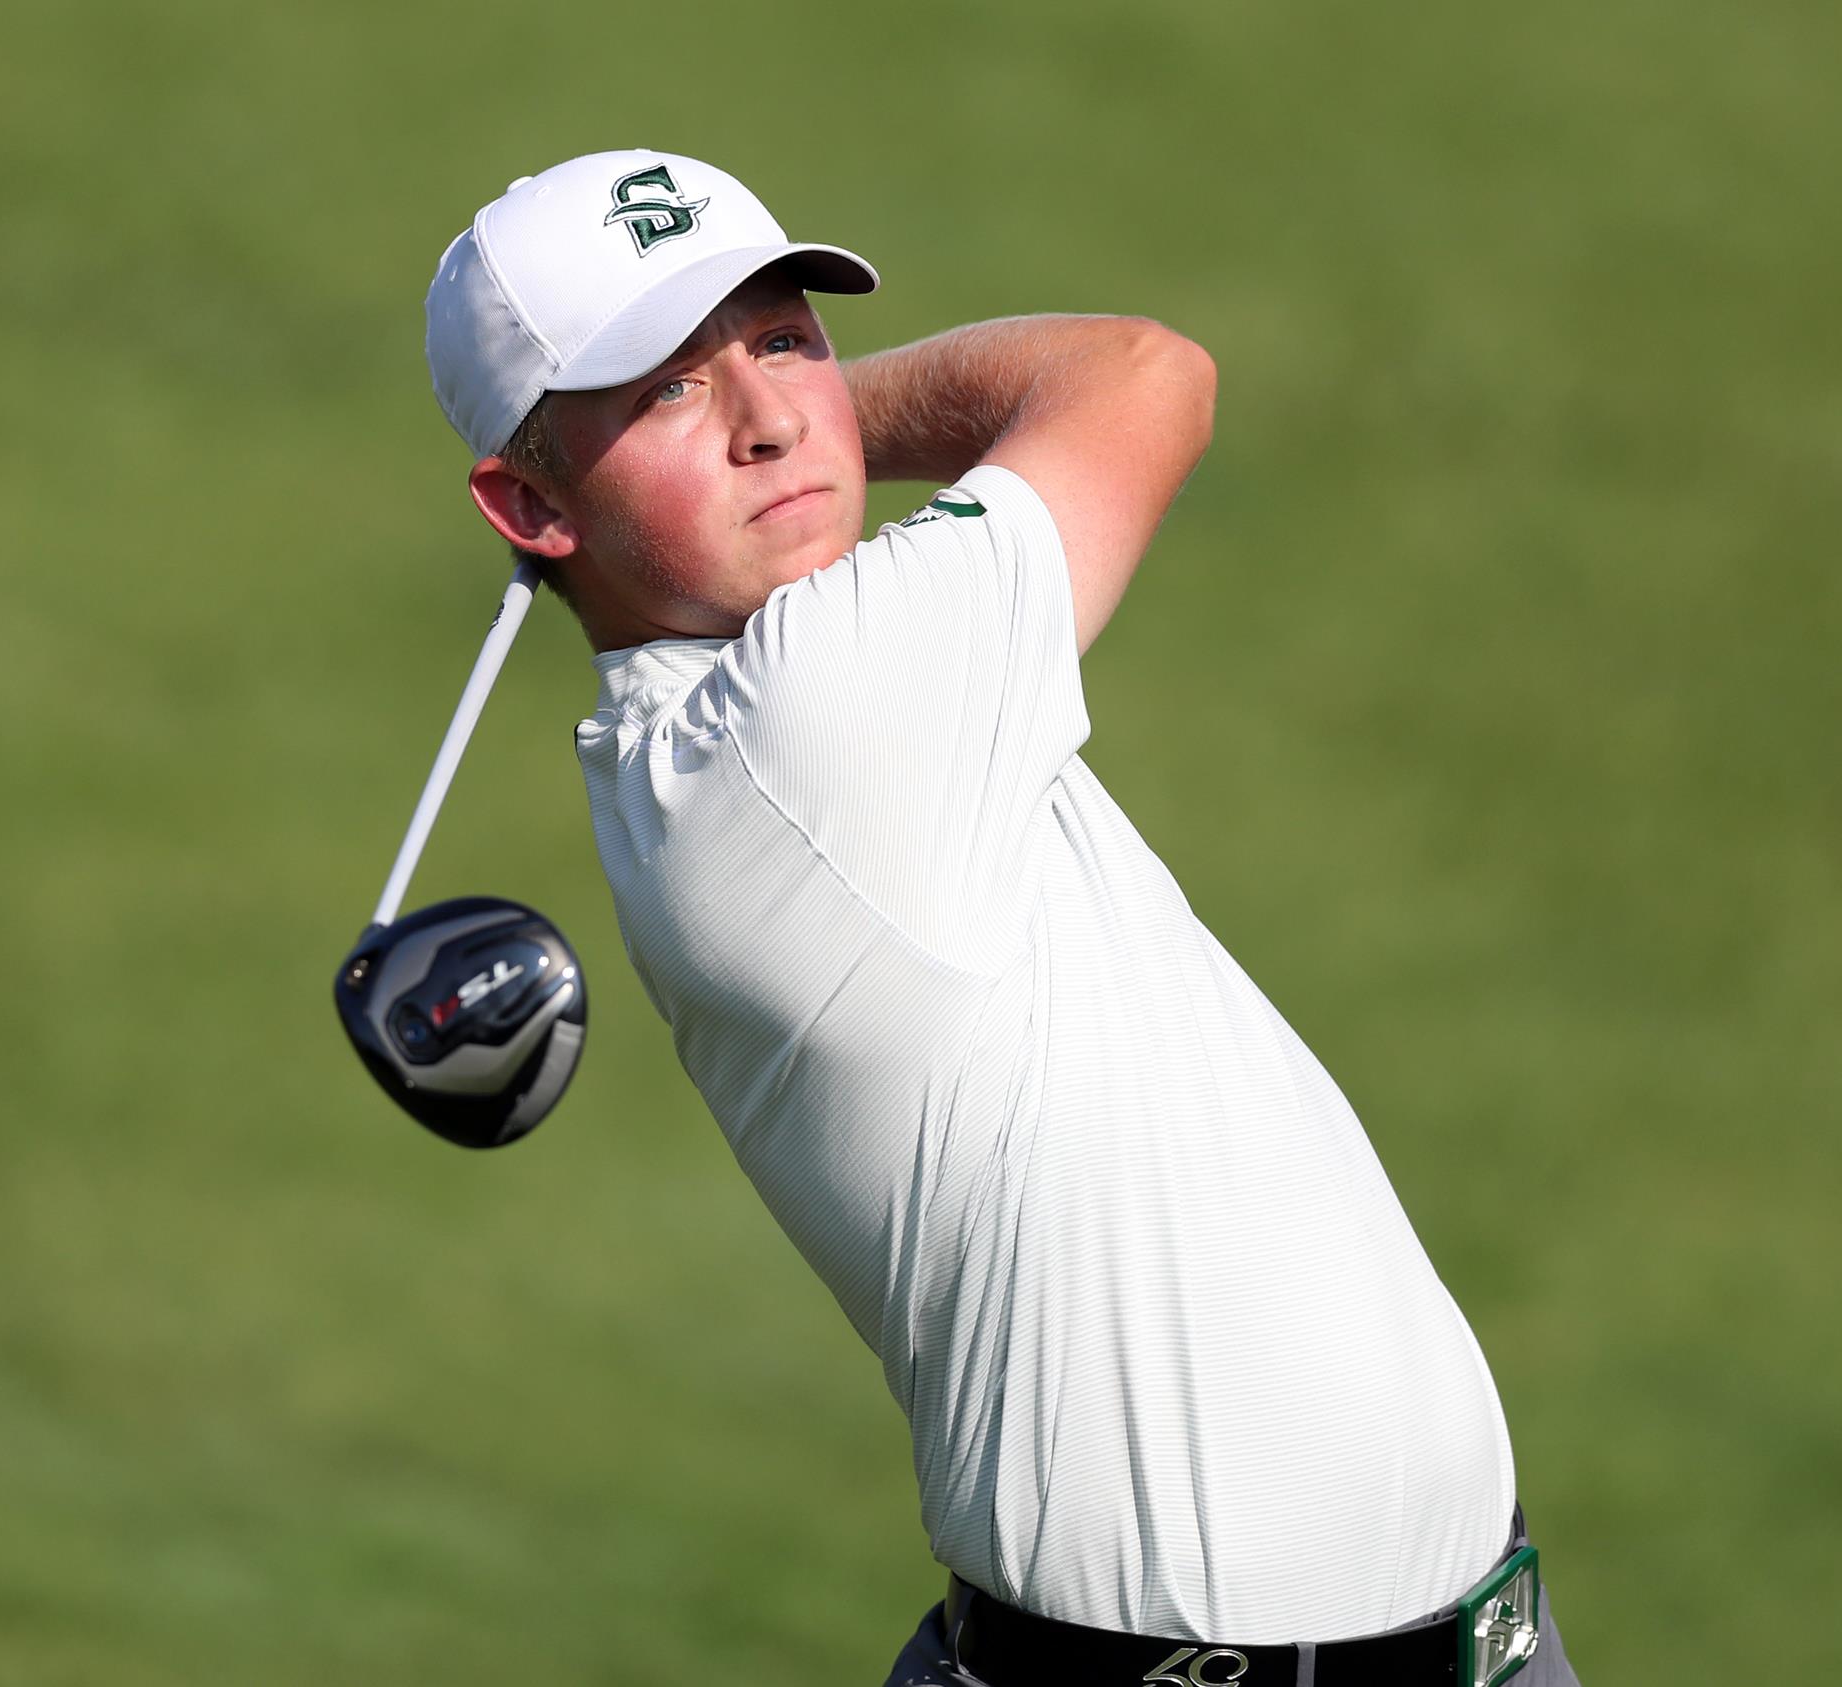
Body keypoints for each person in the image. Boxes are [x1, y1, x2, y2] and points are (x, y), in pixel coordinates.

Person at [423, 149, 1583, 1686]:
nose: (772, 418)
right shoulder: (816, 707)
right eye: (665, 393)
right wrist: (849, 428)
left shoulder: (733, 714)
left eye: (784, 342)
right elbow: (1141, 375)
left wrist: (758, 429)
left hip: (1473, 1645)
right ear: (528, 503)